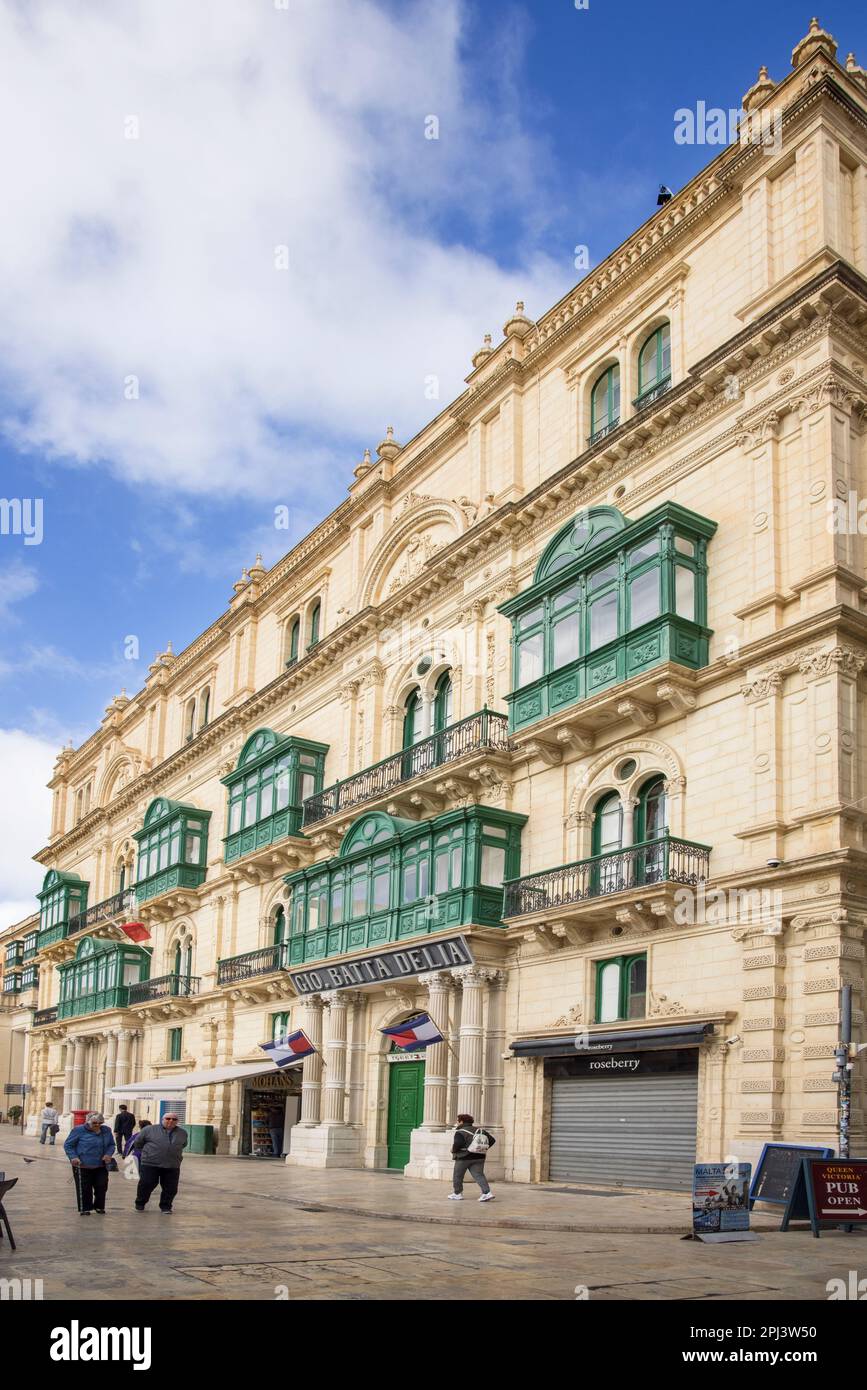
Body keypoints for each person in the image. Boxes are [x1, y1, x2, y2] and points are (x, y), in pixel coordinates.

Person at [133, 1113, 188, 1213]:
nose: (171, 1121)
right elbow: (138, 1143)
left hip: (172, 1164)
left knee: (170, 1187)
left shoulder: (182, 1133)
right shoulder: (149, 1130)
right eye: (168, 1118)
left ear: (177, 1121)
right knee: (147, 1183)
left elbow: (183, 1144)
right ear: (162, 1119)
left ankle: (166, 1206)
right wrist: (148, 1153)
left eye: (174, 1119)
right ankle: (140, 1202)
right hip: (150, 1163)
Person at [63, 1112, 115, 1214]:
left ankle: (99, 1206)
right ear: (88, 1122)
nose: (97, 1125)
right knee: (84, 1188)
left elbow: (111, 1145)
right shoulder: (78, 1130)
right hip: (82, 1164)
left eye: (100, 1123)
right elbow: (68, 1145)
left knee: (102, 1186)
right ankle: (85, 1208)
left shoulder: (106, 1130)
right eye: (95, 1123)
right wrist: (73, 1157)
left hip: (101, 1164)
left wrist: (108, 1154)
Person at [449, 1112, 496, 1202]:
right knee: (479, 1175)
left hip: (464, 1157)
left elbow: (458, 1144)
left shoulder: (460, 1132)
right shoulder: (480, 1131)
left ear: (461, 1122)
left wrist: (453, 1150)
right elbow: (492, 1140)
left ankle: (457, 1194)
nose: (457, 1123)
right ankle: (487, 1193)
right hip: (479, 1157)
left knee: (458, 1176)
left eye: (458, 1121)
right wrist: (481, 1148)